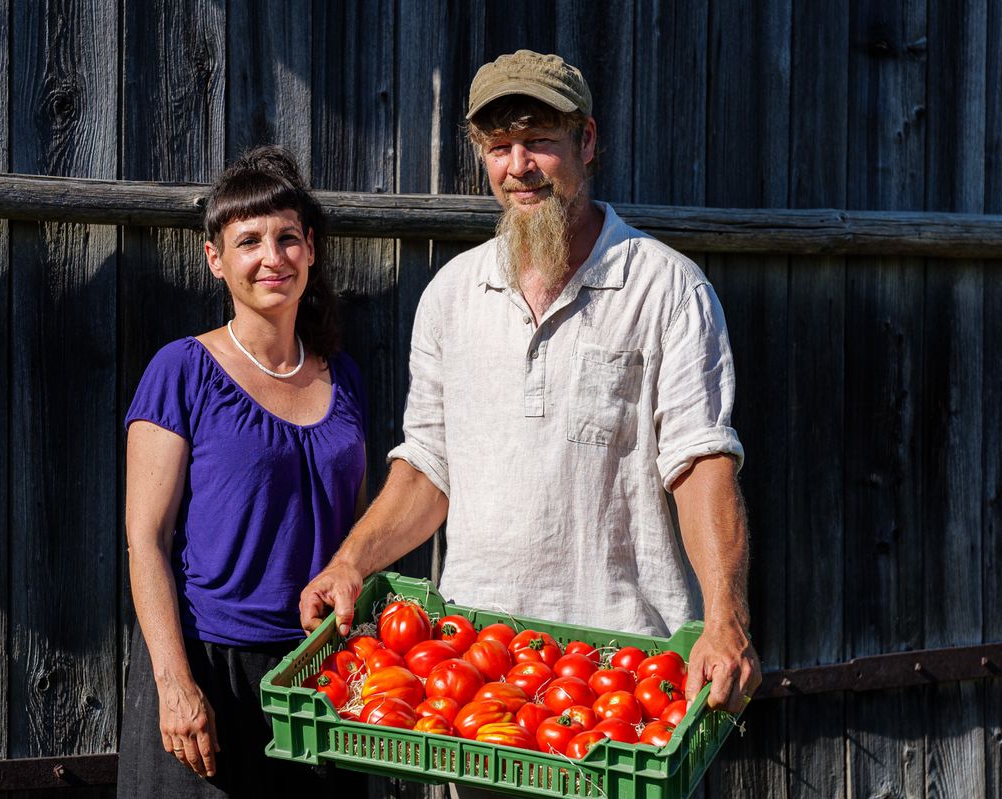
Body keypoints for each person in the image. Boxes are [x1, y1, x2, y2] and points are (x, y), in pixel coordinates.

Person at [300, 50, 761, 716]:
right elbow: (429, 468)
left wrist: (725, 615)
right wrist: (351, 561)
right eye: (499, 146)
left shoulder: (665, 289)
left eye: (539, 142)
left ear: (588, 141)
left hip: (622, 672)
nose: (518, 166)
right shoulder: (452, 295)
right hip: (472, 666)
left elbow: (701, 464)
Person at [118, 146, 367, 797]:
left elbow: (353, 537)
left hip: (320, 679)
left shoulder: (346, 379)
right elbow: (146, 539)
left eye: (287, 237)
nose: (272, 256)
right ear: (216, 259)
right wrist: (176, 685)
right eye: (249, 240)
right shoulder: (181, 370)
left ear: (311, 249)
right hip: (211, 672)